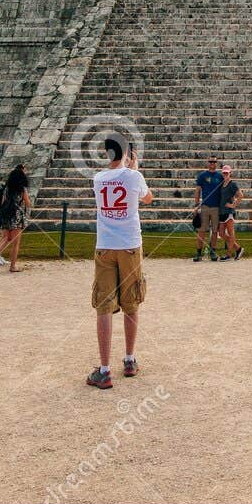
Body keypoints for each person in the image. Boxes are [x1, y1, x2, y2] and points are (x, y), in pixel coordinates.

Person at [88, 138, 152, 389]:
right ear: (126, 153)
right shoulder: (134, 176)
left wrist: (128, 167)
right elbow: (148, 199)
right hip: (129, 245)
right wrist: (134, 169)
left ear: (107, 153)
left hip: (105, 246)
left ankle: (103, 370)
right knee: (131, 302)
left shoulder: (98, 178)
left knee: (103, 306)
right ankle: (129, 358)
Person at [0, 164, 30, 272]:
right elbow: (27, 203)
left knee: (5, 237)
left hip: (5, 214)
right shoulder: (22, 189)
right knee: (15, 242)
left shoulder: (7, 189)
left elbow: (3, 202)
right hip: (16, 215)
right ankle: (12, 266)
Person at [192, 155, 222, 261]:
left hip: (216, 207)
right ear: (207, 163)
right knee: (201, 231)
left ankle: (213, 252)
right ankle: (198, 253)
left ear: (216, 163)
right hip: (205, 206)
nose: (212, 163)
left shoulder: (220, 176)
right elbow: (198, 190)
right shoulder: (202, 176)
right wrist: (196, 204)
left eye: (214, 162)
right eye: (210, 162)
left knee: (214, 231)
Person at [215, 162, 243, 261]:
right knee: (221, 233)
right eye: (224, 173)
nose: (225, 175)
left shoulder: (232, 184)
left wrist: (233, 205)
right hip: (222, 212)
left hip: (229, 212)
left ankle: (229, 254)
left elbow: (240, 195)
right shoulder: (222, 184)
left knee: (231, 233)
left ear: (230, 173)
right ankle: (238, 248)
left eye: (227, 173)